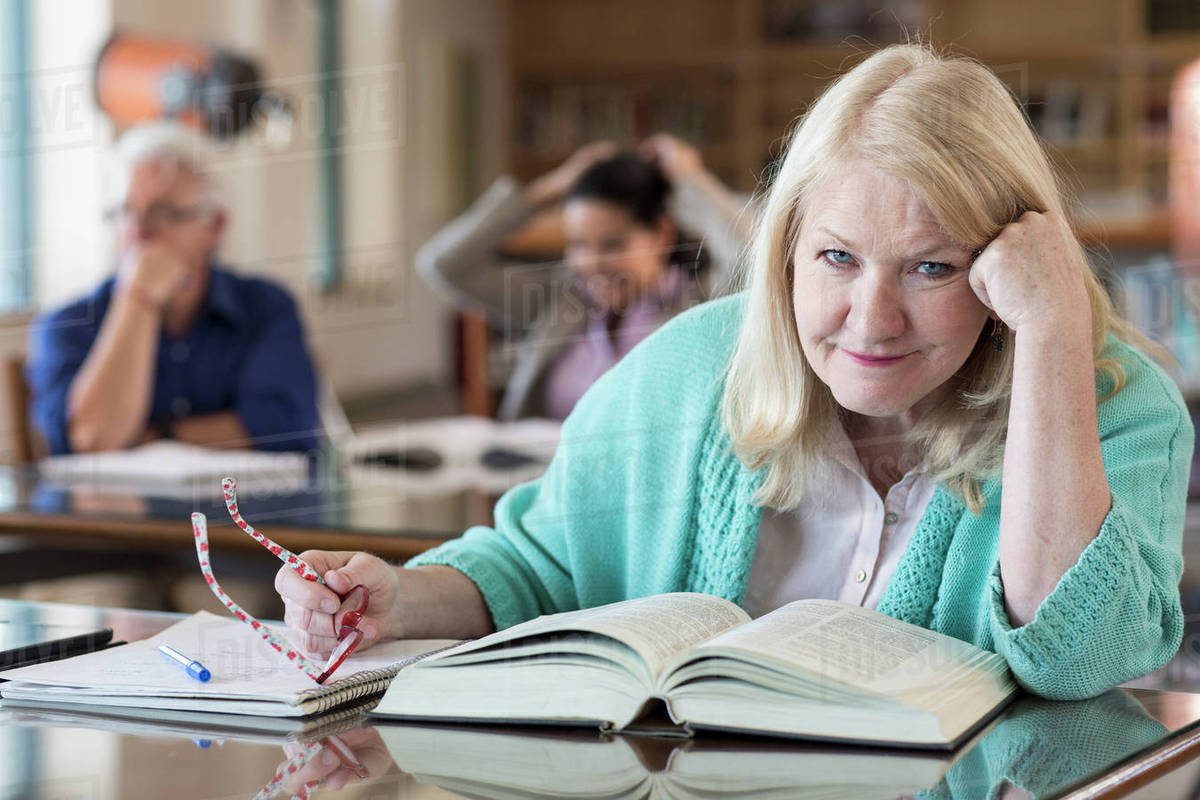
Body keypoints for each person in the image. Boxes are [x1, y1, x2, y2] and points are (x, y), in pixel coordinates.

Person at [278, 44, 1193, 700]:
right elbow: (536, 564)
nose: (871, 321)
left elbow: (1080, 659)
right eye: (837, 259)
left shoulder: (1114, 402)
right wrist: (399, 597)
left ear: (1004, 271)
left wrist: (1055, 336)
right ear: (787, 251)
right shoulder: (688, 368)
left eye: (931, 267)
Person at [27, 122, 320, 455]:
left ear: (215, 225)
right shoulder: (66, 325)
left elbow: (284, 425)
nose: (138, 232)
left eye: (162, 213)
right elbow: (95, 440)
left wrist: (155, 437)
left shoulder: (266, 306)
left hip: (237, 507)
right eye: (126, 212)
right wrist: (139, 298)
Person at [416, 134, 752, 420]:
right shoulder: (558, 301)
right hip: (545, 485)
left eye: (612, 245)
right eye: (577, 244)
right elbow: (445, 265)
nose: (591, 263)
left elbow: (757, 261)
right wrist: (549, 187)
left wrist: (693, 181)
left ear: (662, 233)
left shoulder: (703, 304)